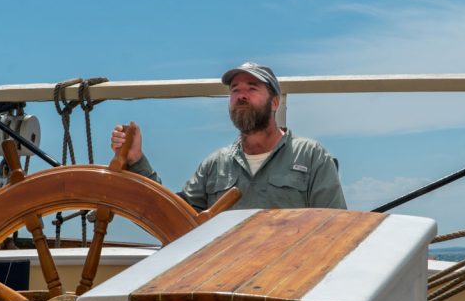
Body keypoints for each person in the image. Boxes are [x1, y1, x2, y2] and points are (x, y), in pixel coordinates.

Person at [111, 62, 346, 211]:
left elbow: (335, 229)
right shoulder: (215, 165)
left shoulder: (311, 156)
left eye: (252, 88)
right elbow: (174, 214)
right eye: (235, 90)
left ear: (275, 102)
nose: (241, 96)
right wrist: (136, 160)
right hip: (222, 284)